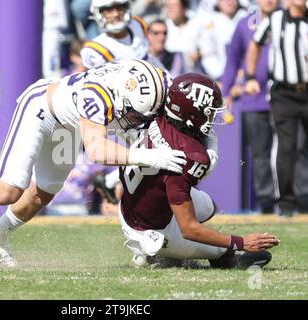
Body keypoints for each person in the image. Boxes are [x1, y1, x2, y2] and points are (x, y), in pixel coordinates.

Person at [0, 59, 187, 267]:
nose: (135, 120)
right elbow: (97, 150)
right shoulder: (98, 95)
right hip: (43, 110)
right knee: (6, 191)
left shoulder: (160, 83)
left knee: (44, 192)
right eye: (133, 113)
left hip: (72, 122)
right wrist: (150, 155)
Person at [118, 73, 280, 269]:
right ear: (192, 112)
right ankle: (151, 251)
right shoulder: (185, 157)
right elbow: (189, 228)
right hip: (149, 229)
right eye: (209, 112)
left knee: (208, 207)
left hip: (132, 203)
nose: (212, 118)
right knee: (223, 252)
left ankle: (165, 249)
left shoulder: (158, 112)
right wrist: (242, 242)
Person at [245, 0, 308, 215]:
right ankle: (287, 203)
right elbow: (255, 43)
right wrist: (251, 76)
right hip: (284, 93)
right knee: (287, 146)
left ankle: (304, 198)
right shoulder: (275, 19)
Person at [221, 0, 279, 213]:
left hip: (286, 97)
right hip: (254, 99)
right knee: (260, 153)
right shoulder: (245, 24)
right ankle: (266, 203)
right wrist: (226, 92)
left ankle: (294, 200)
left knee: (293, 150)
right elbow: (233, 59)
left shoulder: (292, 20)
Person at [80, 0, 163, 69]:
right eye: (109, 10)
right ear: (98, 13)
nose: (116, 14)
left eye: (119, 8)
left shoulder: (138, 24)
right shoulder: (95, 50)